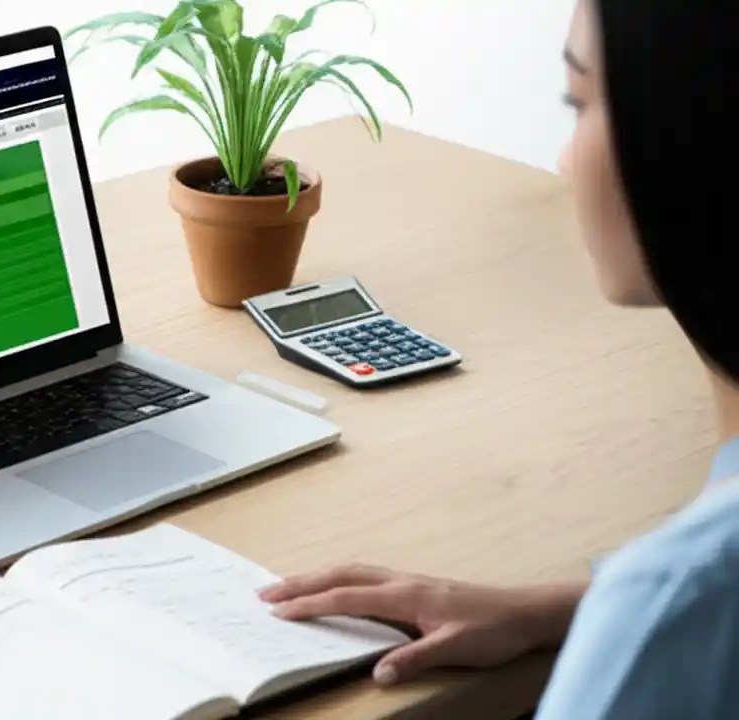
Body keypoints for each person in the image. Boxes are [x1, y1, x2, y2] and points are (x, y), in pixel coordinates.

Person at [258, 0, 738, 716]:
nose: (562, 161)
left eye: (579, 103)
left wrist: (647, 609)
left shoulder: (672, 594)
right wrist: (566, 605)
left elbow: (698, 590)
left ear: (693, 142)